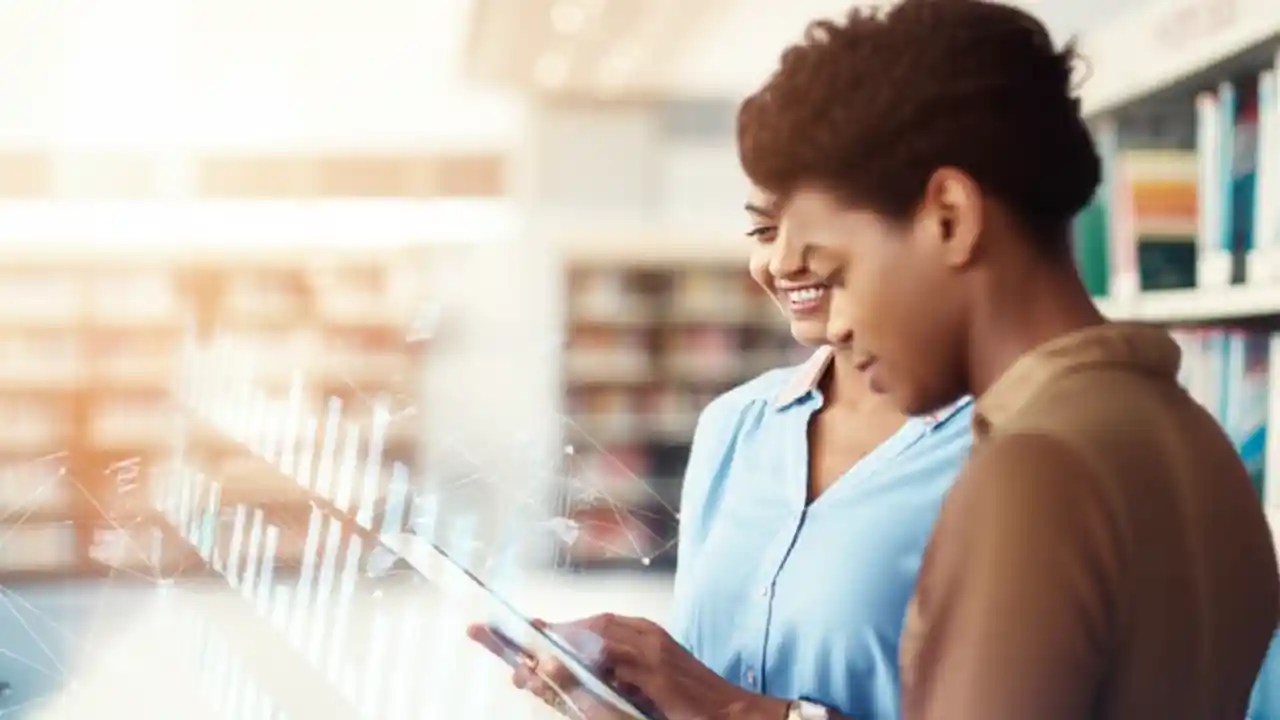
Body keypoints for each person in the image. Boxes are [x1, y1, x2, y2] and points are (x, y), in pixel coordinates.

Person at [732, 1, 1280, 719]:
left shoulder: (1034, 470)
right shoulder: (1198, 440)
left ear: (950, 218)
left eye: (836, 272)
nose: (837, 321)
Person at [469, 182, 973, 719]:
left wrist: (739, 709)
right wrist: (622, 701)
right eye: (763, 231)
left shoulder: (999, 446)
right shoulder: (734, 425)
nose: (782, 262)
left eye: (816, 228)